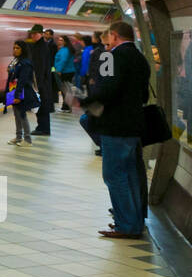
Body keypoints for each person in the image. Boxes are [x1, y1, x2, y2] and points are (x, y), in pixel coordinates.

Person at [77, 21, 152, 238]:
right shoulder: (140, 58)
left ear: (115, 36)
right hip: (134, 126)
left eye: (108, 38)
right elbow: (144, 95)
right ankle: (134, 223)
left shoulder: (113, 57)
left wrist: (85, 101)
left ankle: (126, 225)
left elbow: (106, 90)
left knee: (114, 175)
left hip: (115, 126)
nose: (106, 42)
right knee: (131, 175)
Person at [3, 40, 39, 145]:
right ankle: (18, 137)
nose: (15, 50)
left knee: (22, 115)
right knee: (16, 115)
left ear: (23, 50)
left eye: (18, 48)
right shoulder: (16, 61)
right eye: (14, 48)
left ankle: (27, 140)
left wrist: (18, 95)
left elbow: (23, 80)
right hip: (13, 90)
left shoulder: (25, 63)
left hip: (21, 92)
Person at [26, 25, 53, 135]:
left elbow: (40, 66)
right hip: (40, 82)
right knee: (40, 106)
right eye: (32, 33)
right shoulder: (39, 45)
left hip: (41, 82)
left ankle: (44, 129)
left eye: (35, 33)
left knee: (42, 106)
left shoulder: (41, 47)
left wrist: (37, 85)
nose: (32, 35)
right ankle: (41, 127)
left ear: (41, 34)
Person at [54, 35, 76, 112]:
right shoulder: (65, 49)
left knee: (65, 90)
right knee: (66, 89)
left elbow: (63, 60)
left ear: (65, 41)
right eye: (59, 40)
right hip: (68, 71)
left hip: (65, 72)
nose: (59, 41)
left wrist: (59, 70)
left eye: (61, 40)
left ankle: (67, 106)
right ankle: (66, 106)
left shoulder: (65, 50)